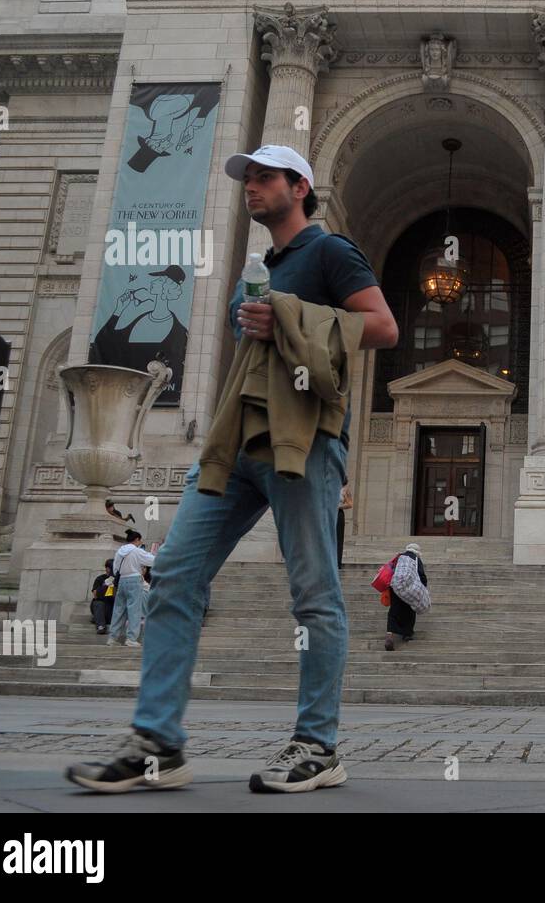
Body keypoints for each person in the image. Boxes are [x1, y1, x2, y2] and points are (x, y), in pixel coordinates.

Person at [66, 144, 400, 796]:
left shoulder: (330, 252)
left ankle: (317, 744)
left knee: (314, 594)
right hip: (233, 442)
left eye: (265, 176)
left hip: (301, 443)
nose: (251, 186)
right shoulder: (261, 266)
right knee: (175, 577)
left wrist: (288, 319)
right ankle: (157, 742)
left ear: (300, 186)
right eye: (246, 177)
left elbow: (383, 326)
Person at [107, 530, 155, 648]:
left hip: (122, 581)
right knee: (134, 610)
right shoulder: (137, 551)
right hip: (134, 580)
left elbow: (115, 568)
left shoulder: (120, 551)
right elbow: (153, 560)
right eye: (140, 540)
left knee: (119, 610)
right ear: (137, 539)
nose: (141, 542)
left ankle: (113, 637)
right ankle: (131, 638)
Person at [385, 543, 428, 649]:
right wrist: (423, 588)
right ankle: (407, 634)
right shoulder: (416, 559)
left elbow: (390, 570)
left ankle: (390, 635)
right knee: (410, 610)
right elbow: (421, 575)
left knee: (394, 611)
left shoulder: (399, 556)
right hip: (409, 588)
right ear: (417, 552)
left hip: (395, 586)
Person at [90, 559, 116, 635]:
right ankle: (101, 626)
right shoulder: (100, 579)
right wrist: (105, 585)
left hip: (111, 608)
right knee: (98, 602)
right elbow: (95, 595)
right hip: (101, 605)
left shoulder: (119, 580)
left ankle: (97, 618)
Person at [336, 484, 353, 570]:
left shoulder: (344, 489)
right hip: (326, 513)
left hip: (338, 513)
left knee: (338, 539)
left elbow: (350, 504)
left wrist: (338, 506)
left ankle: (337, 562)